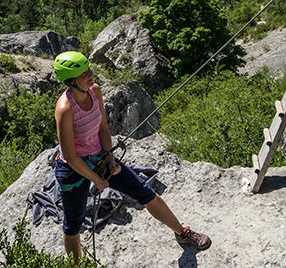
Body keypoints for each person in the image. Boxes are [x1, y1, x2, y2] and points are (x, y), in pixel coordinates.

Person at [52, 51, 211, 262]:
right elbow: (71, 157)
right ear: (71, 81)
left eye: (89, 69)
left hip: (100, 157)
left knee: (146, 193)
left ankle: (182, 232)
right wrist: (97, 179)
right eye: (84, 73)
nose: (90, 75)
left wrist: (110, 158)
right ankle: (76, 266)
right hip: (74, 169)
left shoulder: (94, 91)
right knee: (73, 224)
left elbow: (103, 129)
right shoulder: (65, 109)